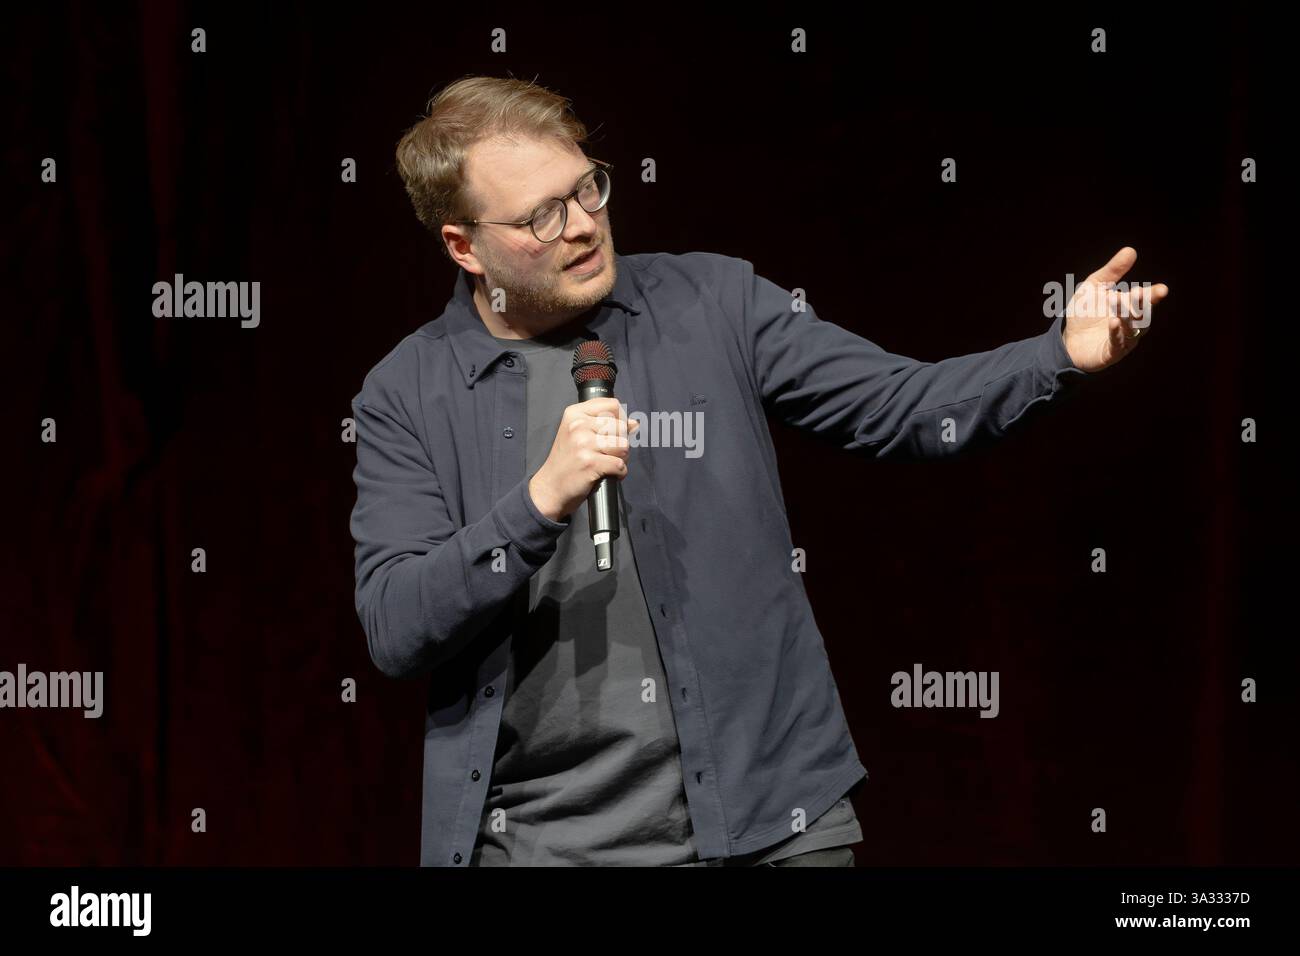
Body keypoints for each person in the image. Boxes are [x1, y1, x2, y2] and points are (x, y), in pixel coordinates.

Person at [349, 75, 1169, 867]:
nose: (583, 225)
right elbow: (396, 623)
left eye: (589, 187)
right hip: (544, 845)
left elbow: (903, 403)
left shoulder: (715, 301)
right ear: (464, 245)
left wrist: (1056, 354)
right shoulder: (406, 394)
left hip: (773, 828)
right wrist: (534, 503)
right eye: (542, 214)